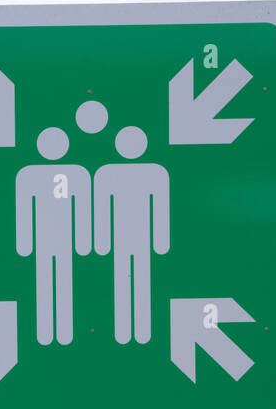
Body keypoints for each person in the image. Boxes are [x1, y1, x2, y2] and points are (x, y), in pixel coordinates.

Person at [94, 126, 170, 344]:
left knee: (139, 280)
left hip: (140, 239)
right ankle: (125, 331)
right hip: (123, 239)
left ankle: (141, 331)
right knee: (124, 280)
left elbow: (160, 209)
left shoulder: (155, 173)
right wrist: (101, 242)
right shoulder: (106, 174)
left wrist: (161, 241)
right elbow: (101, 211)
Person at [16, 126, 91, 346]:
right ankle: (47, 332)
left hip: (60, 241)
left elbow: (84, 210)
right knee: (47, 283)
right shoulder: (28, 175)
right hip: (47, 242)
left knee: (61, 281)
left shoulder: (78, 174)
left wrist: (84, 242)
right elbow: (24, 211)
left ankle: (62, 331)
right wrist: (24, 243)